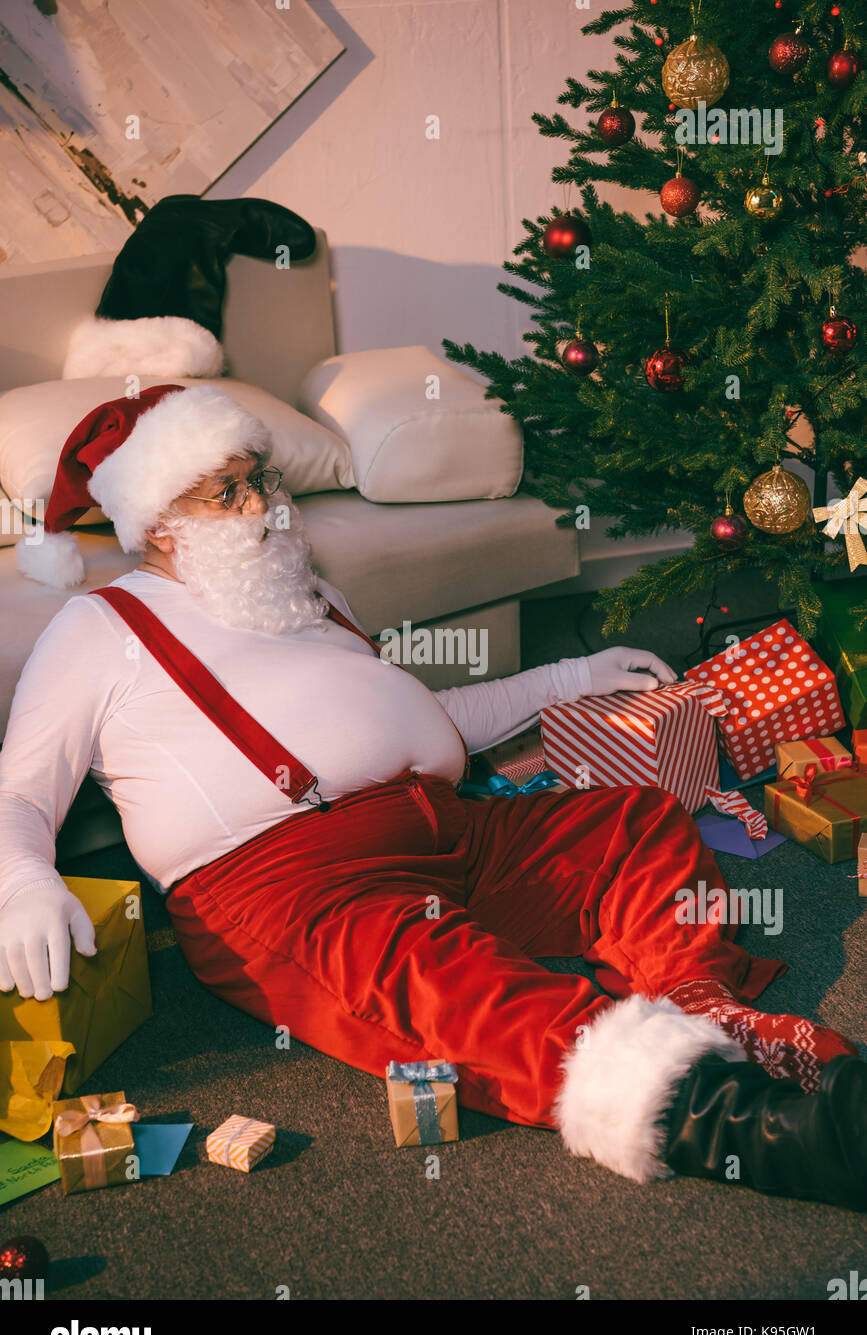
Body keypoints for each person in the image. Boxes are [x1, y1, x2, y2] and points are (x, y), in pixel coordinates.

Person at [1, 384, 865, 1211]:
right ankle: (755, 1124)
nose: (263, 505)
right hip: (290, 888)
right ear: (155, 526)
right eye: (224, 493)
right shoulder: (100, 627)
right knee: (461, 987)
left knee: (633, 826)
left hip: (447, 832)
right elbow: (20, 791)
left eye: (261, 477)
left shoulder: (304, 595)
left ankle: (706, 1006)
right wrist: (22, 882)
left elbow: (416, 720)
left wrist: (563, 677)